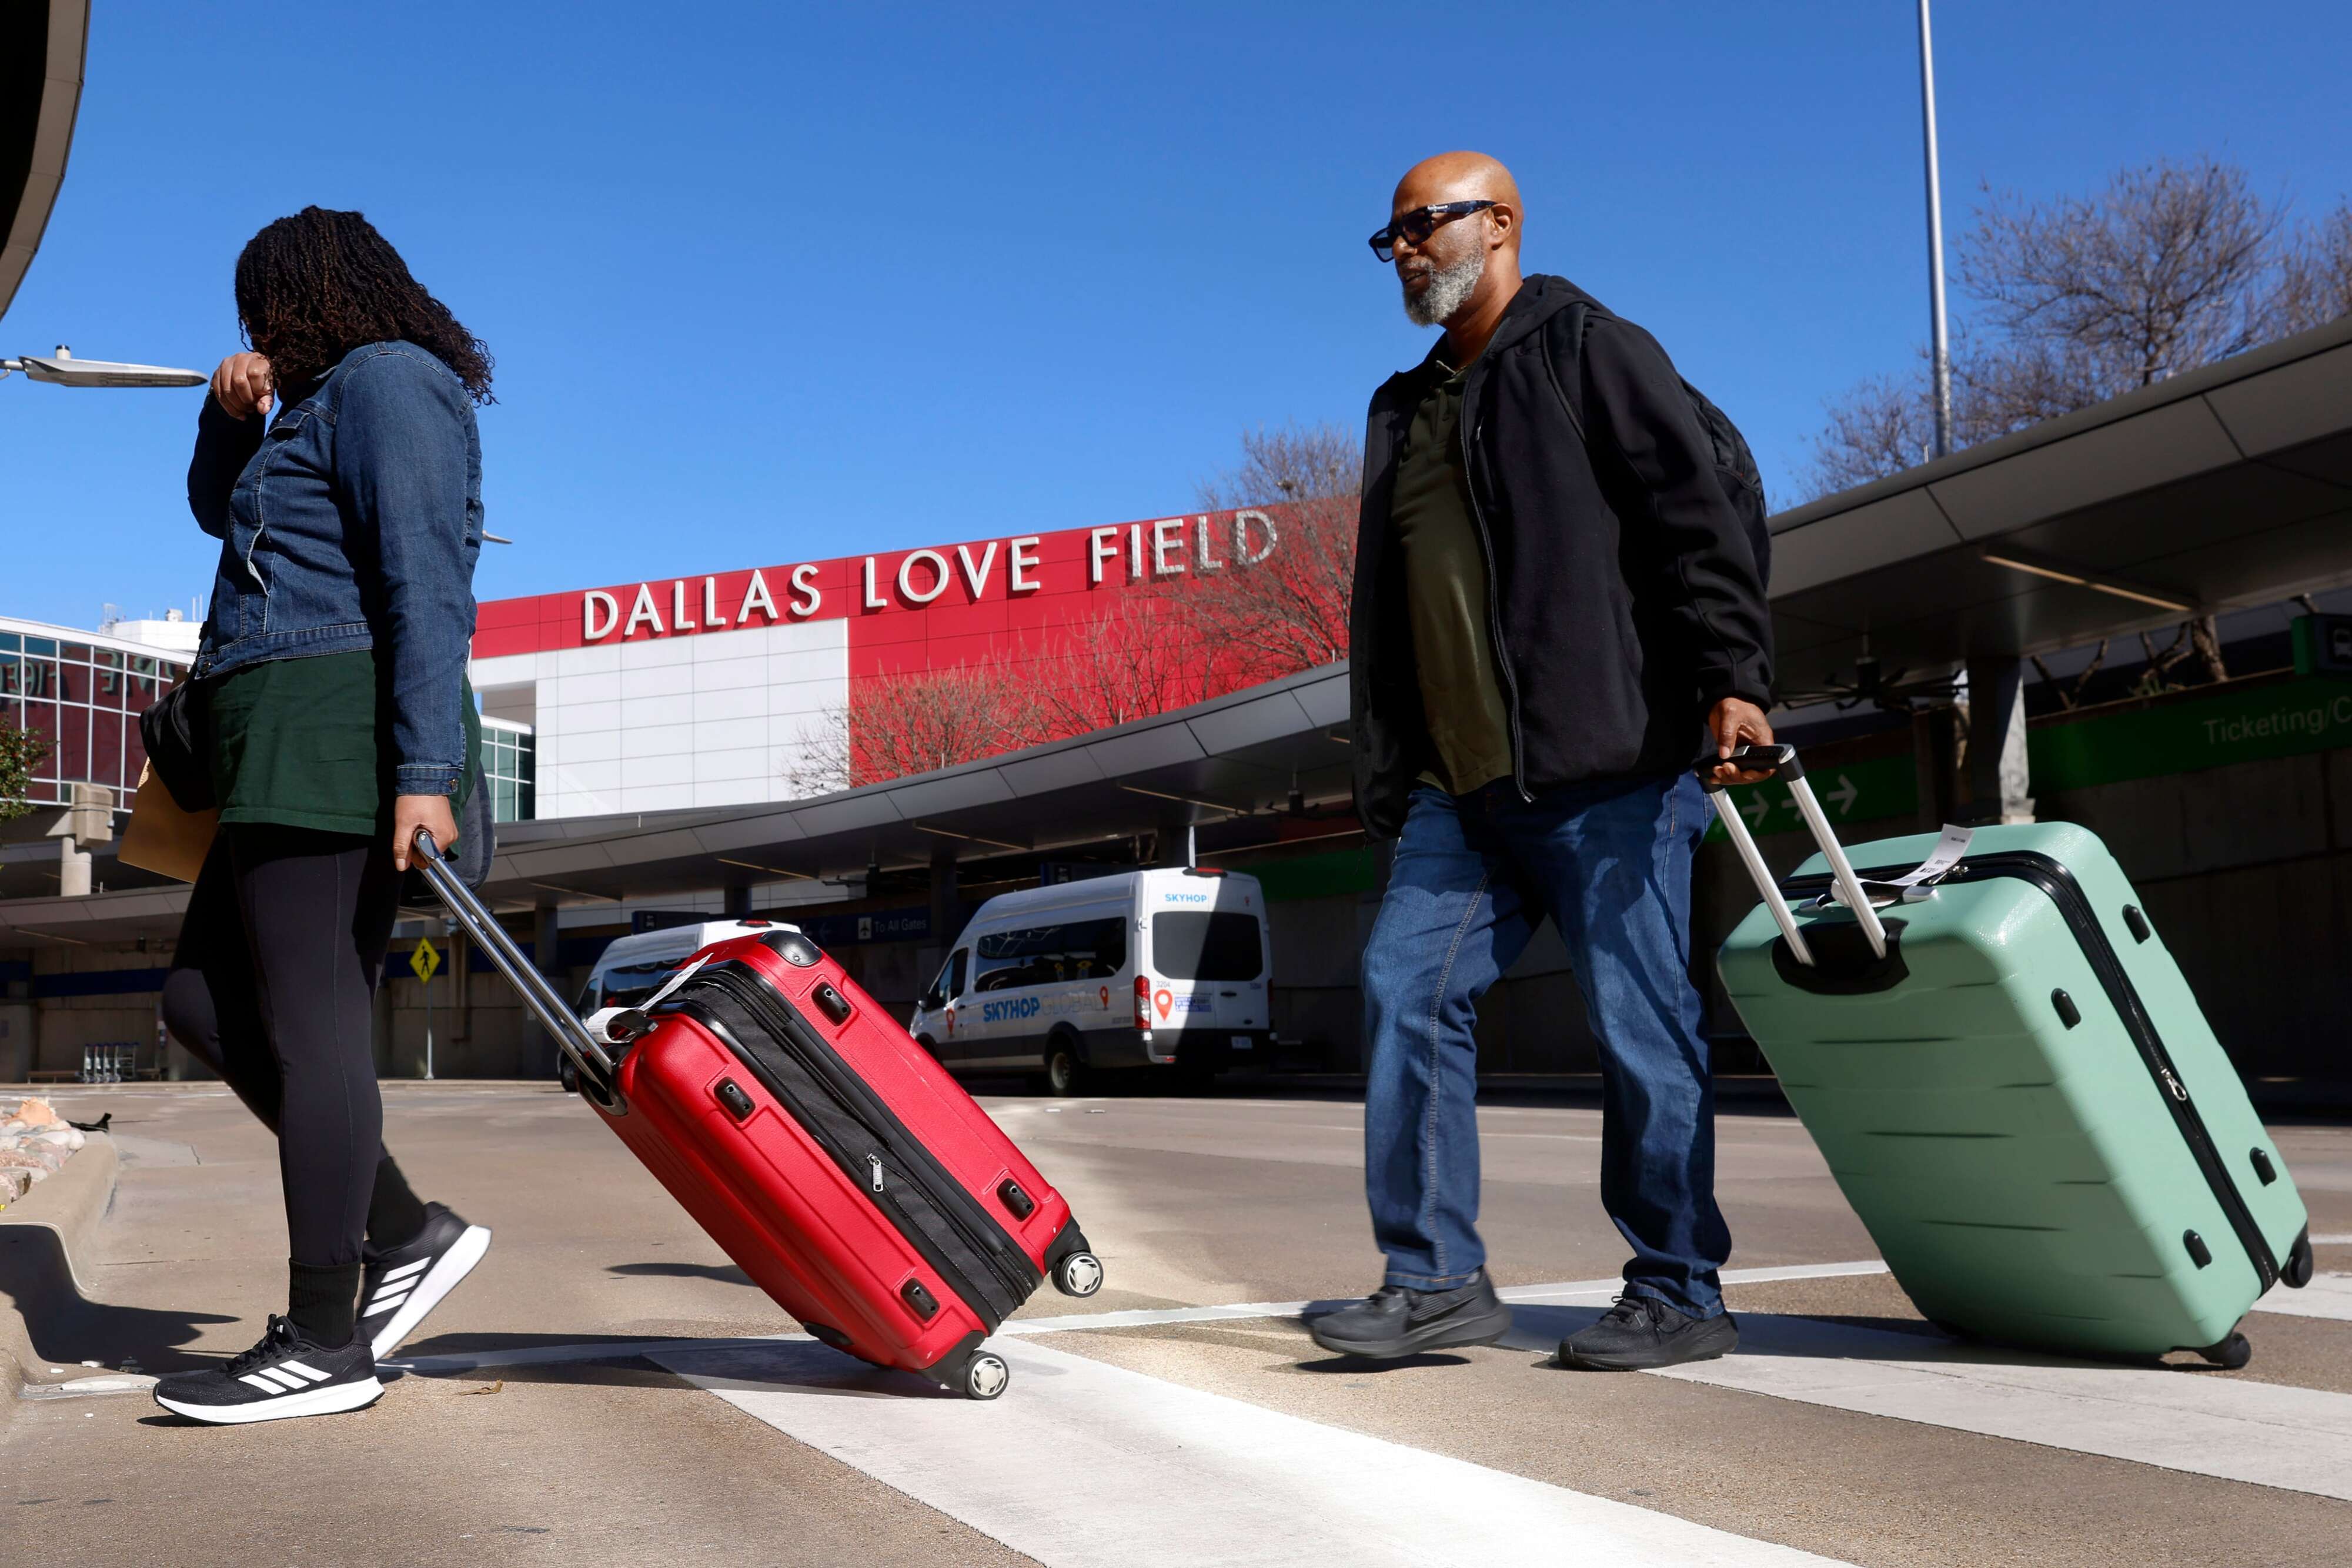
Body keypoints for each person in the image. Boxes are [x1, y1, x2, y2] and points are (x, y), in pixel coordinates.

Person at [1308, 153, 1776, 1371]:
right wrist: (1390, 761)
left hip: (1608, 767)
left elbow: (1695, 516)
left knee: (1638, 1026)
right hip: (1458, 795)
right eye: (1389, 237)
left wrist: (1733, 674)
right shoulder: (1401, 410)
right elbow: (1390, 611)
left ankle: (1677, 1284)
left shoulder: (1587, 350)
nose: (1404, 250)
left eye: (1422, 224)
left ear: (1498, 222)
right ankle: (1434, 1281)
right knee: (1405, 992)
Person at [152, 208, 496, 1423]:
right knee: (199, 998)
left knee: (314, 1021)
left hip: (334, 729)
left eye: (267, 310)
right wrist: (222, 408)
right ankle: (405, 1230)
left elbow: (424, 579)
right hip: (269, 739)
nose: (257, 333)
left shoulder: (391, 384)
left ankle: (325, 1336)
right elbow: (215, 511)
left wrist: (423, 769)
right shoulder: (301, 407)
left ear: (315, 296)